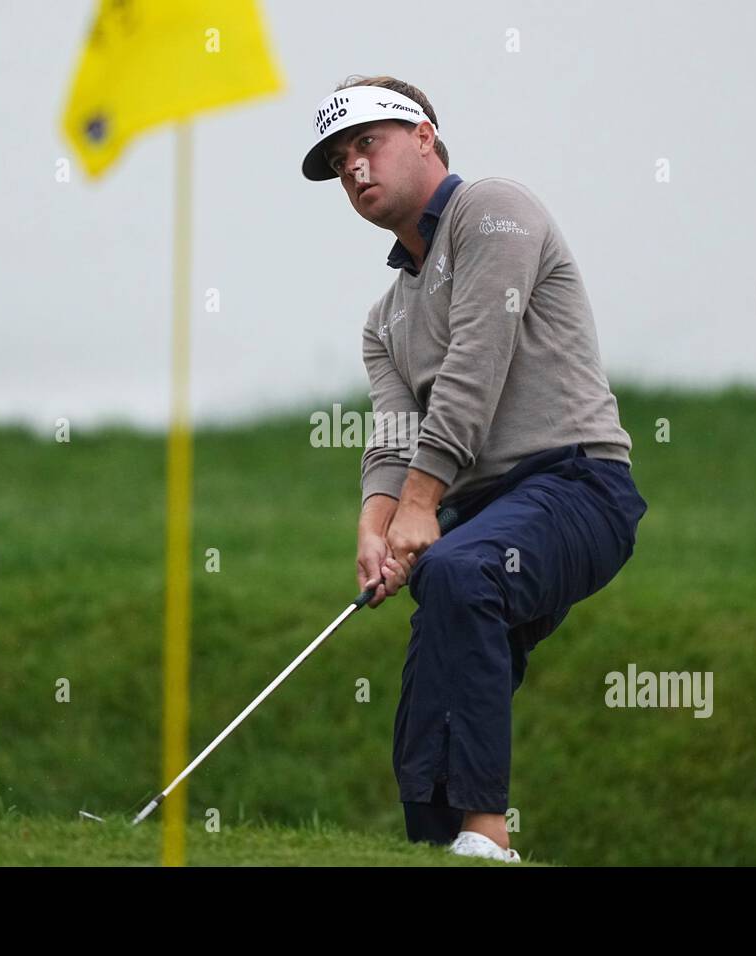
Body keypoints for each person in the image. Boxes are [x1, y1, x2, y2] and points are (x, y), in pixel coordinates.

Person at [301, 75, 648, 862]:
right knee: (437, 646)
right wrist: (377, 520)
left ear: (424, 135)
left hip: (579, 485)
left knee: (458, 575)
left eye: (368, 144)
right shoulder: (384, 318)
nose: (353, 168)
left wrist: (423, 504)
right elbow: (392, 433)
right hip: (486, 512)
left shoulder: (495, 210)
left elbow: (473, 366)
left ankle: (488, 838)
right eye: (337, 160)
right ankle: (438, 846)